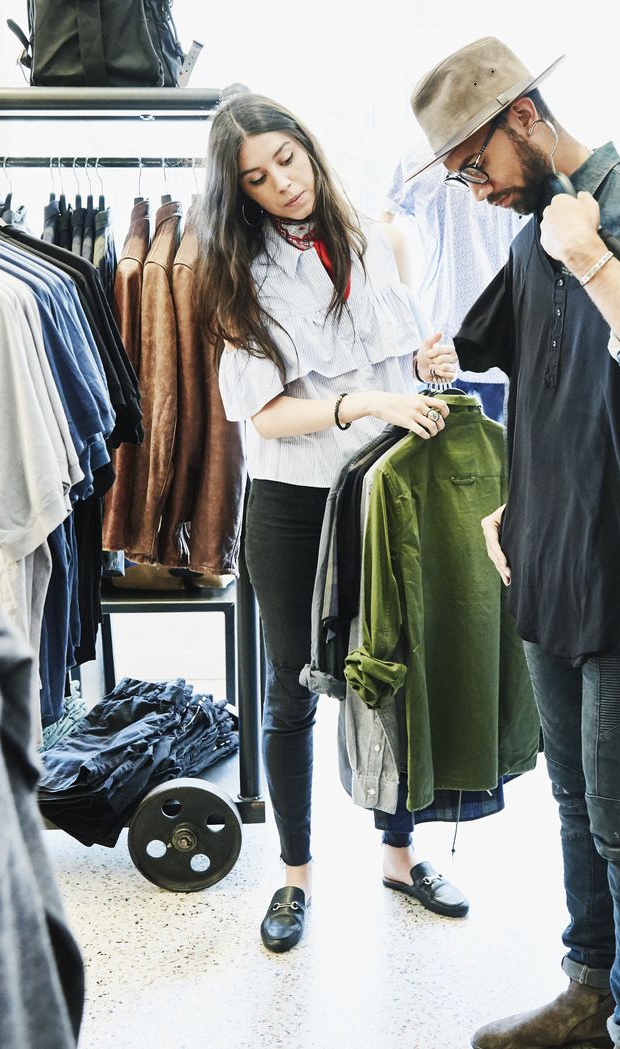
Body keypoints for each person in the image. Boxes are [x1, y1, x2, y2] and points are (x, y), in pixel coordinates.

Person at [408, 38, 620, 1049]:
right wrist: (518, 493)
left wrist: (594, 261)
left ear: (524, 119)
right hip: (552, 550)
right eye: (457, 175)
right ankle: (588, 991)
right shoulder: (526, 232)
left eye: (476, 165)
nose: (475, 189)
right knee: (575, 796)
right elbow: (521, 377)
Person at [202, 93, 466, 954]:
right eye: (257, 177)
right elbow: (266, 417)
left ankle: (399, 854)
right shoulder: (236, 275)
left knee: (394, 668)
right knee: (291, 689)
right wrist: (367, 400)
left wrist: (428, 365)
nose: (282, 183)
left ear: (308, 148)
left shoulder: (382, 240)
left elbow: (409, 355)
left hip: (384, 491)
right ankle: (293, 877)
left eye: (287, 158)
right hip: (291, 500)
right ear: (237, 193)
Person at [379, 144, 524, 421]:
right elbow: (382, 226)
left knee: (503, 454)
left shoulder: (504, 151)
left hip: (499, 336)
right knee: (439, 452)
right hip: (437, 339)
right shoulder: (415, 161)